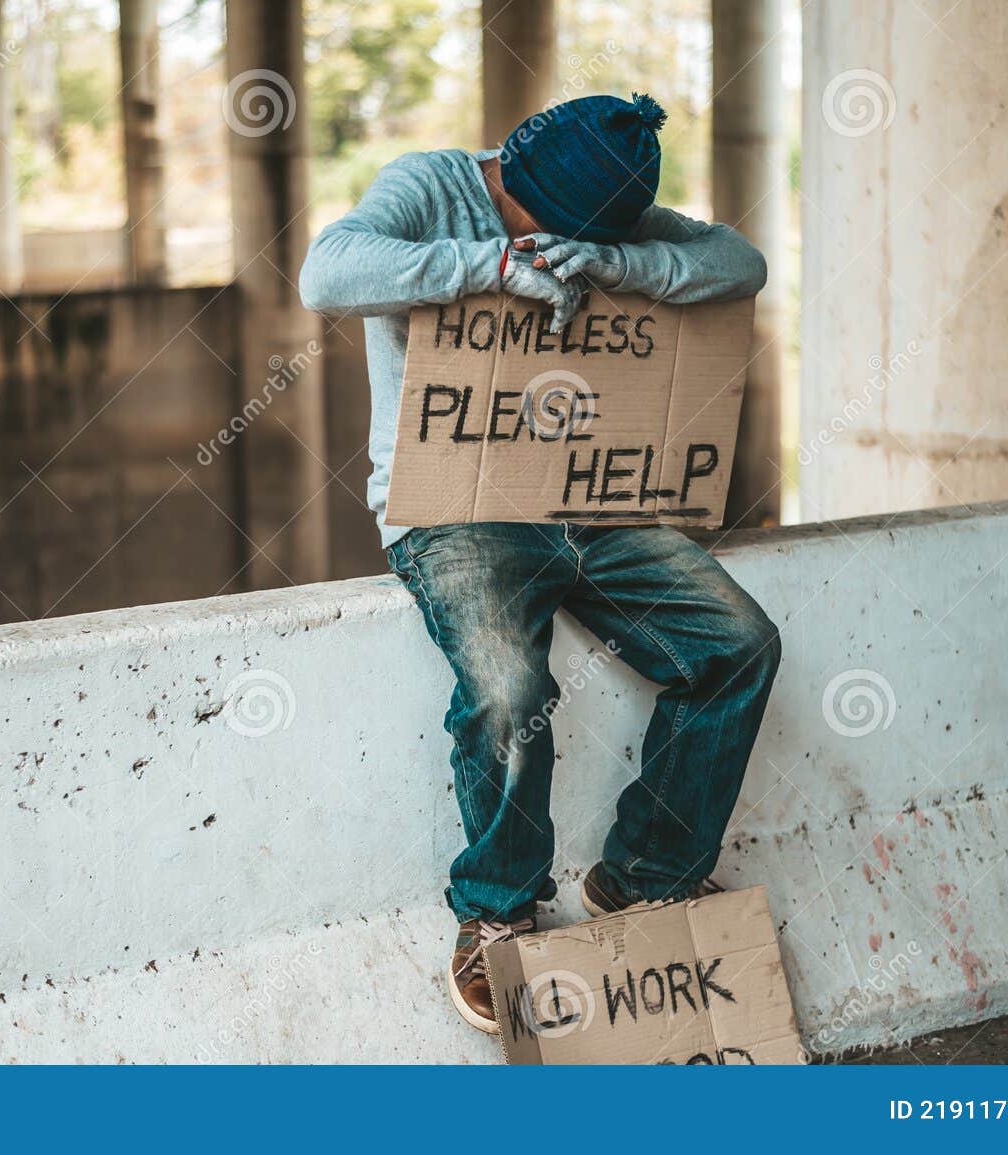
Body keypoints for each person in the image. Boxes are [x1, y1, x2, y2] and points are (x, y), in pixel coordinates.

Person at [298, 93, 781, 1035]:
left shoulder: (610, 224)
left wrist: (620, 261)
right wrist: (491, 267)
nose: (550, 240)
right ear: (512, 180)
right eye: (540, 225)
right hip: (456, 509)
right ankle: (499, 910)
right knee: (513, 689)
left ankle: (645, 878)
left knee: (738, 644)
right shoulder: (430, 187)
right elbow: (327, 273)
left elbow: (740, 262)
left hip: (592, 500)